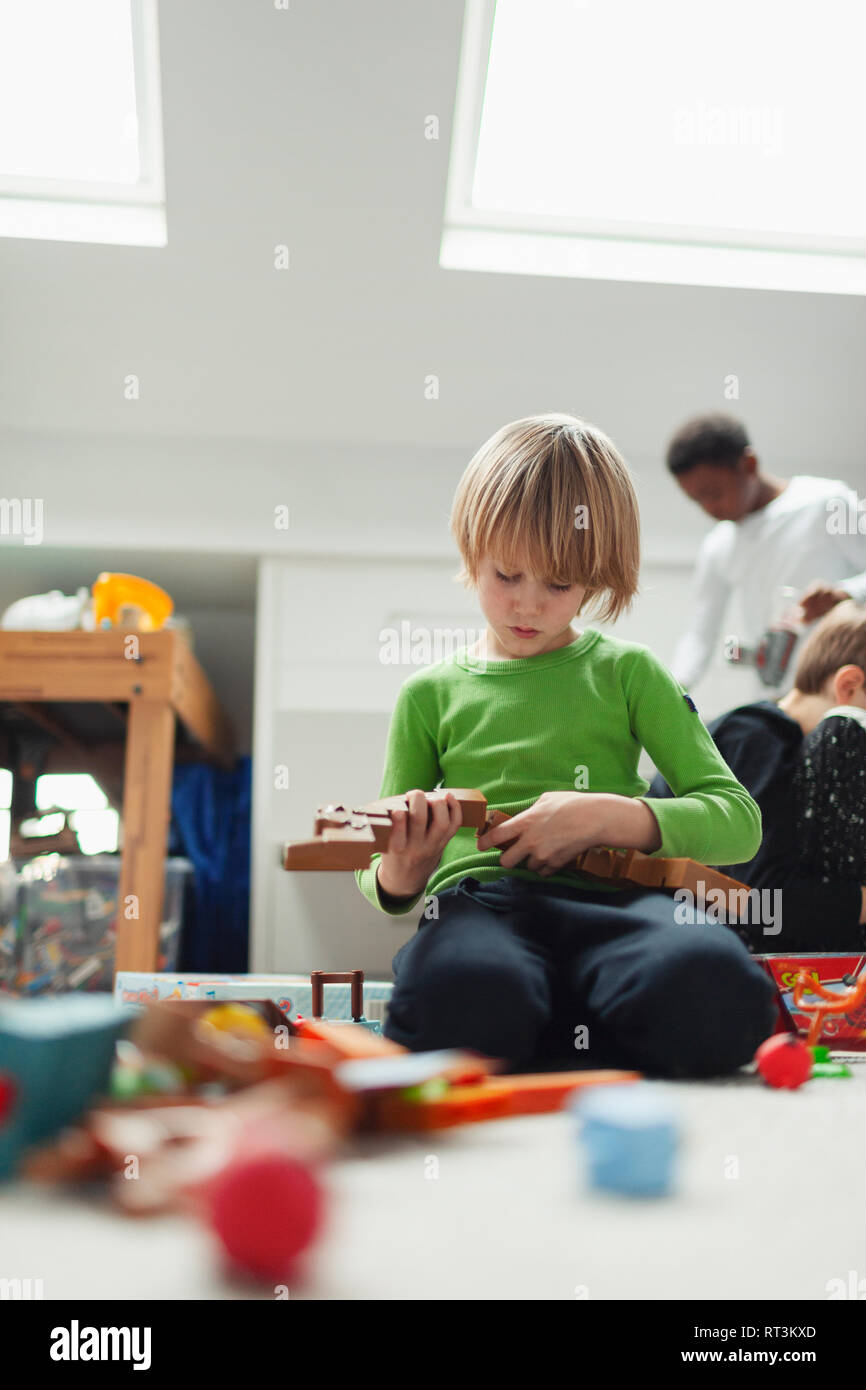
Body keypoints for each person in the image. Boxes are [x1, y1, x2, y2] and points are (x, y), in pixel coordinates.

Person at [354, 414, 776, 1078]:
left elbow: (738, 824)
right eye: (506, 575)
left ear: (597, 576)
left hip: (616, 898)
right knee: (463, 995)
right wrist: (404, 870)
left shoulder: (629, 671)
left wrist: (608, 816)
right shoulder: (428, 693)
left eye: (558, 584)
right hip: (481, 901)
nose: (527, 605)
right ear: (471, 552)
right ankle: (575, 1019)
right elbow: (375, 868)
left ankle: (550, 1021)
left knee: (717, 989)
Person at [648, 600, 866, 953]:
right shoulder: (757, 738)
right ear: (850, 687)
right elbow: (763, 902)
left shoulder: (777, 744)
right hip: (666, 913)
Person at [665, 414, 866, 696]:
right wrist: (670, 692)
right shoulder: (718, 546)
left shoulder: (826, 503)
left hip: (847, 690)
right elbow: (700, 635)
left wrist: (844, 594)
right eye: (696, 499)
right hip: (779, 700)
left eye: (714, 492)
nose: (709, 508)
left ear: (749, 464)